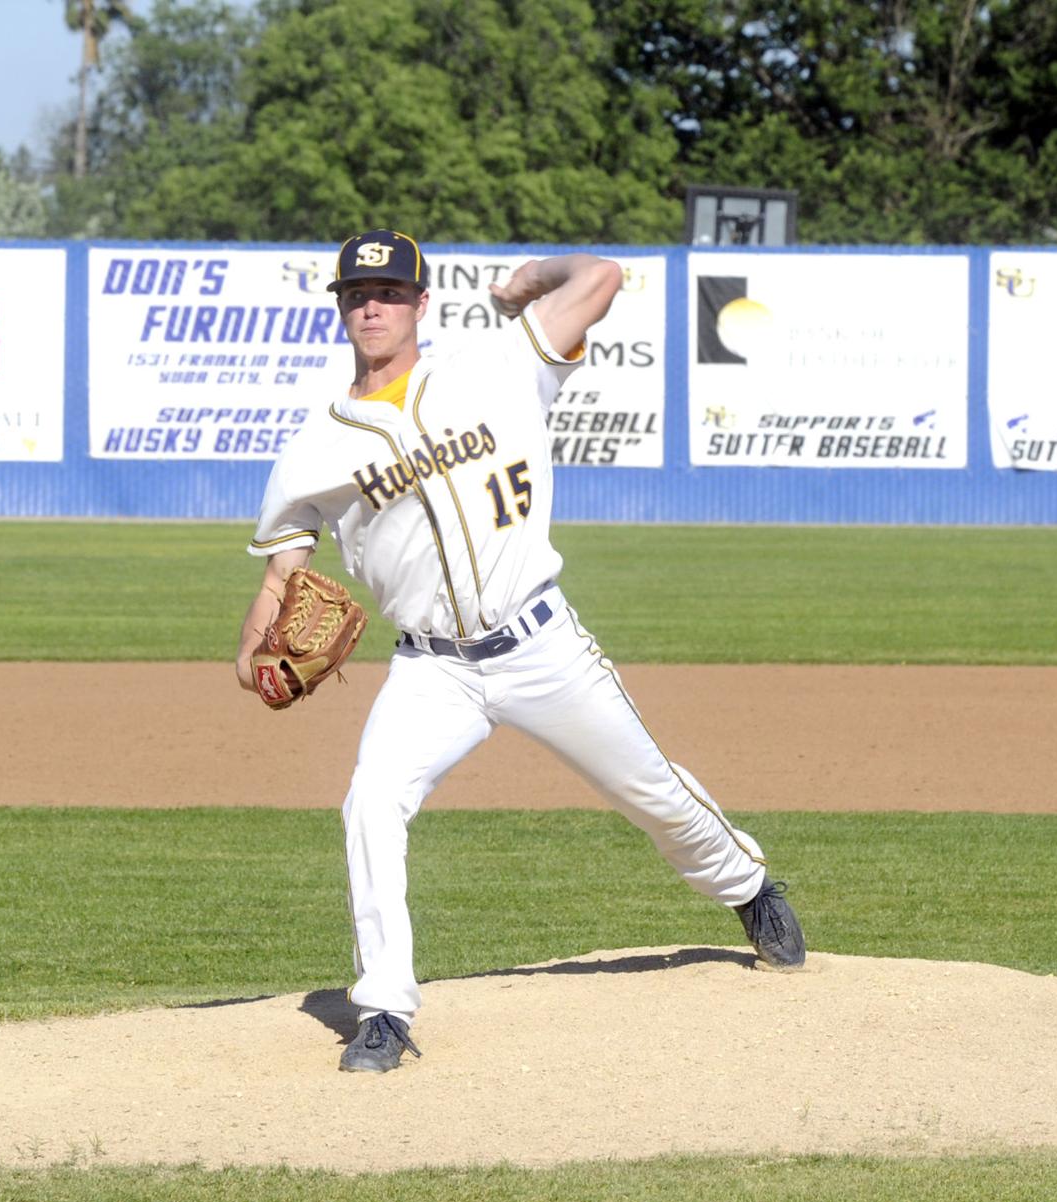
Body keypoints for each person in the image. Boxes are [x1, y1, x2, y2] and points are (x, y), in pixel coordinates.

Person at [235, 229, 805, 1074]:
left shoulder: (499, 364)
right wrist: (252, 645)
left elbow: (603, 276)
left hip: (542, 644)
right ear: (341, 310)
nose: (373, 306)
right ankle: (384, 1008)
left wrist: (530, 280)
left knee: (649, 789)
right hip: (433, 668)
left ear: (421, 304)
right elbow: (286, 564)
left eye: (390, 292)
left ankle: (746, 888)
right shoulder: (316, 445)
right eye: (358, 296)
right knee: (370, 803)